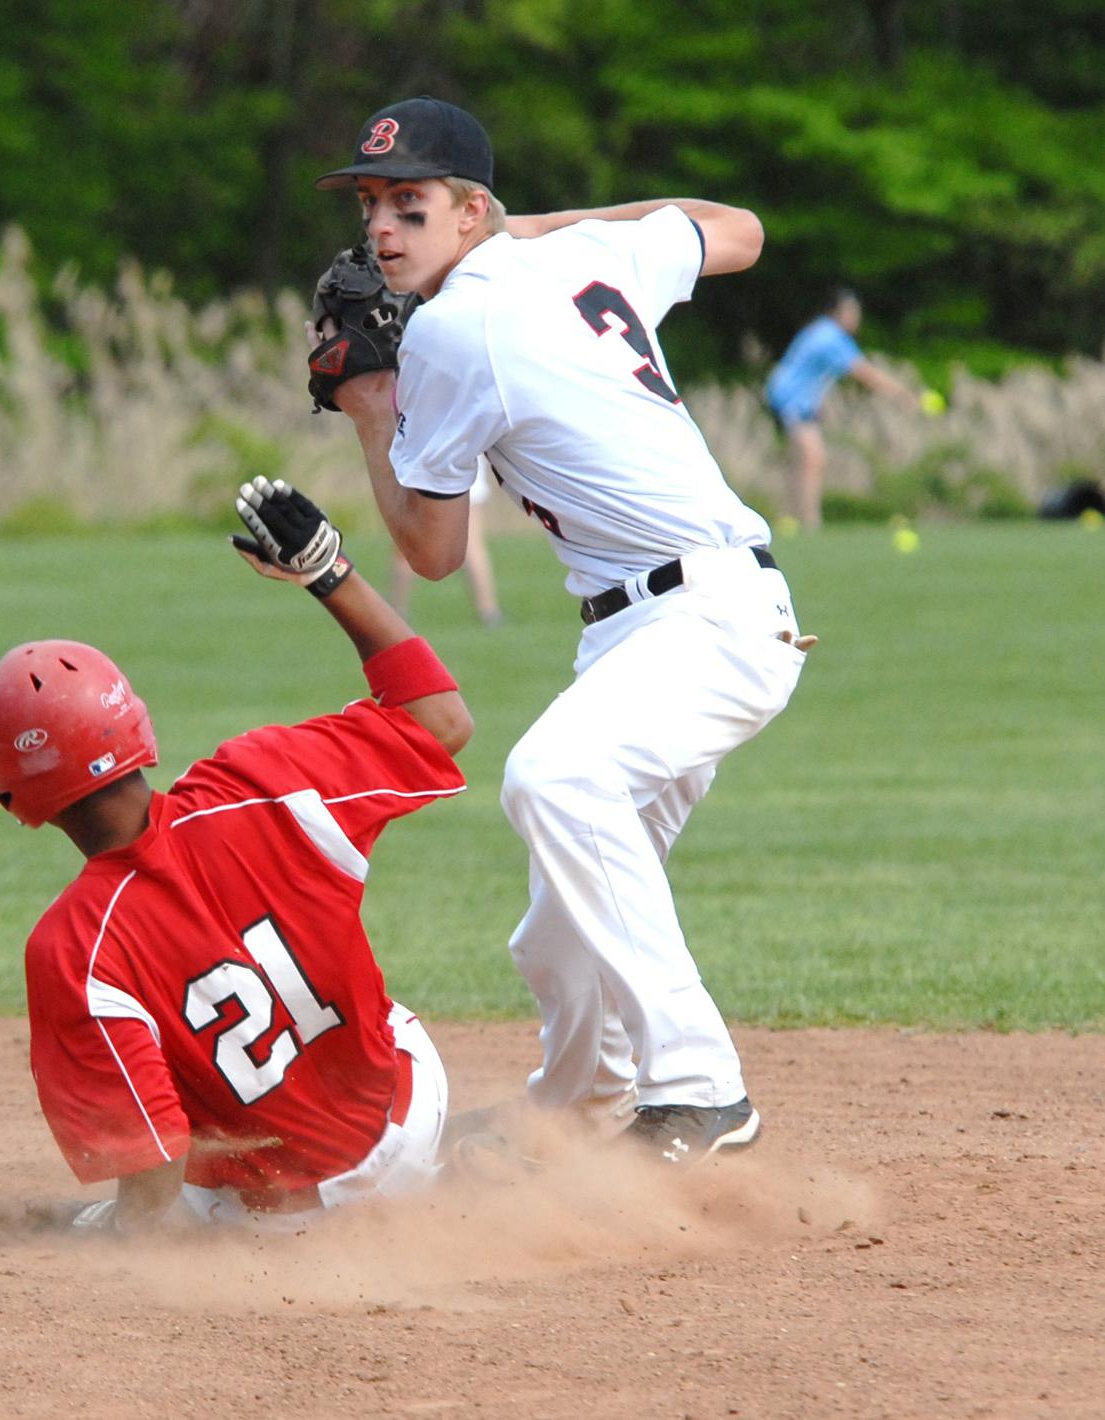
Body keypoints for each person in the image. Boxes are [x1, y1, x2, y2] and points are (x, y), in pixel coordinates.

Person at [313, 95, 816, 1167]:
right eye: (371, 206)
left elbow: (433, 551)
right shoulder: (589, 253)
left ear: (469, 208)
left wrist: (365, 395)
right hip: (671, 625)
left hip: (706, 622)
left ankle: (699, 1088)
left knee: (553, 783)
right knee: (561, 912)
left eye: (411, 203)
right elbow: (737, 230)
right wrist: (538, 228)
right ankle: (578, 1106)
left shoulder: (455, 327)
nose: (382, 230)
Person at [0, 478, 473, 1234]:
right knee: (368, 1015)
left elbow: (151, 1180)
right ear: (135, 728)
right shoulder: (259, 783)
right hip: (413, 1107)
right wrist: (327, 572)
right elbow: (442, 719)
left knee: (103, 1221)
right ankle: (453, 1170)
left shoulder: (75, 949)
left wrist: (108, 1236)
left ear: (13, 794)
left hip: (298, 1215)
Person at [765, 289, 920, 531]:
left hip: (794, 400)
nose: (856, 317)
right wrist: (903, 394)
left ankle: (795, 517)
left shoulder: (820, 331)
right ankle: (809, 522)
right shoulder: (830, 336)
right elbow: (865, 373)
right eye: (852, 312)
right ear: (839, 312)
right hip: (790, 400)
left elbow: (814, 375)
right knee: (812, 457)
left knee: (803, 459)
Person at [390, 455, 503, 626]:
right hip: (464, 455)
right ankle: (488, 611)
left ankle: (396, 610)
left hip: (426, 457)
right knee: (472, 541)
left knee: (409, 540)